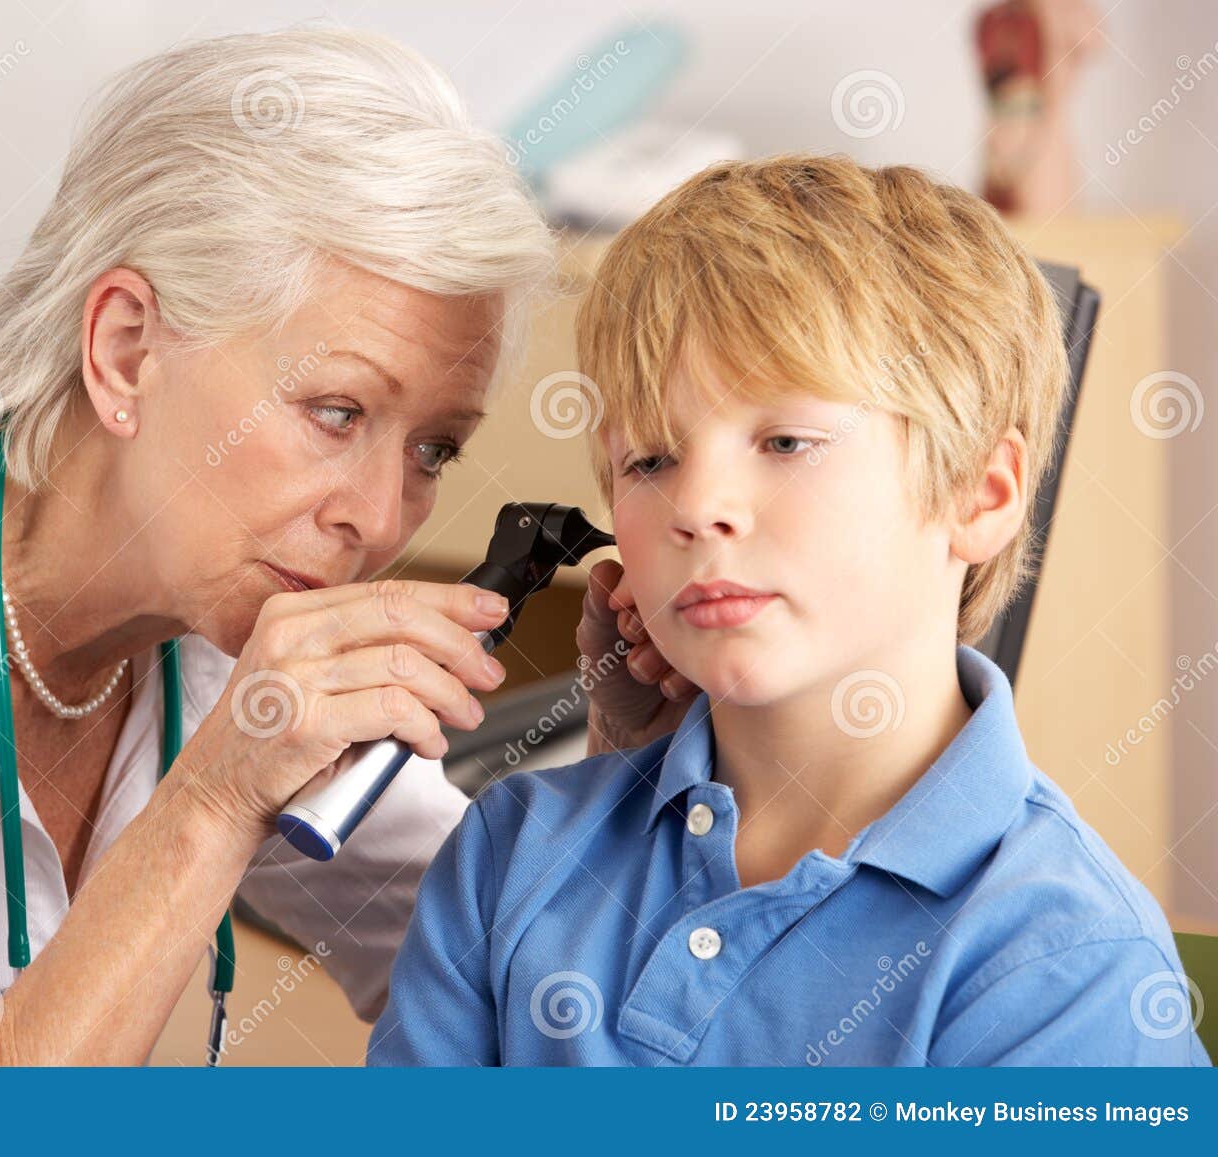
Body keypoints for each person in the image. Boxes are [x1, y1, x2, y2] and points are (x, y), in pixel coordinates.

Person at [0, 28, 679, 1067]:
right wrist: (213, 801)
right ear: (125, 351)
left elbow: (525, 994)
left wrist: (623, 768)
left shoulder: (212, 621)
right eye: (336, 411)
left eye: (434, 449)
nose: (380, 517)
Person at [368, 153, 1212, 1067]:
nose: (698, 506)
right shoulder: (508, 851)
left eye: (785, 441)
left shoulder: (1070, 969)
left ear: (981, 492)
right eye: (650, 460)